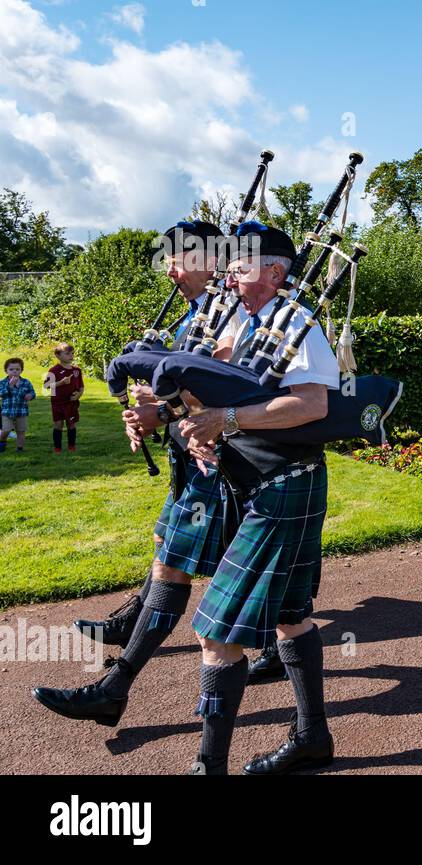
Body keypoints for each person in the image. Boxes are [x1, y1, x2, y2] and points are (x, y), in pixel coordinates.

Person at [33, 220, 237, 729]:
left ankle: (114, 687)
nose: (169, 269)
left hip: (222, 460)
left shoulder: (232, 314)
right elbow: (182, 379)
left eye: (178, 259)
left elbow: (228, 388)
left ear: (210, 260)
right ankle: (132, 632)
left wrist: (161, 411)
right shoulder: (198, 313)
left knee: (175, 565)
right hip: (193, 458)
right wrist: (147, 403)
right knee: (175, 550)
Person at [177, 221, 338, 775]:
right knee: (290, 617)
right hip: (254, 483)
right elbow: (211, 386)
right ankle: (313, 736)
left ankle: (208, 767)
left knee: (214, 632)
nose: (229, 267)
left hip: (284, 485)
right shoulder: (236, 320)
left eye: (242, 260)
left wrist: (227, 419)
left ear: (274, 272)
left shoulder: (296, 324)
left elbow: (312, 404)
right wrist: (197, 424)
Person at [45, 343, 84, 453]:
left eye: (72, 353)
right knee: (58, 425)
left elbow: (81, 386)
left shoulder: (77, 370)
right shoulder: (53, 370)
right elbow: (47, 386)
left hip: (71, 403)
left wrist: (79, 395)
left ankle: (71, 447)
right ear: (58, 355)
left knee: (71, 423)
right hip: (57, 402)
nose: (71, 356)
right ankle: (57, 448)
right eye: (67, 354)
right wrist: (60, 383)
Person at [0, 358, 37, 453]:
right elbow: (1, 394)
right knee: (6, 430)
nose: (14, 371)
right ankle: (2, 441)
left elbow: (32, 392)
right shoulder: (3, 383)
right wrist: (10, 385)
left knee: (21, 431)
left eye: (17, 369)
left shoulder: (26, 382)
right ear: (6, 371)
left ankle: (20, 448)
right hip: (7, 412)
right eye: (11, 369)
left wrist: (31, 395)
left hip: (21, 411)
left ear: (21, 370)